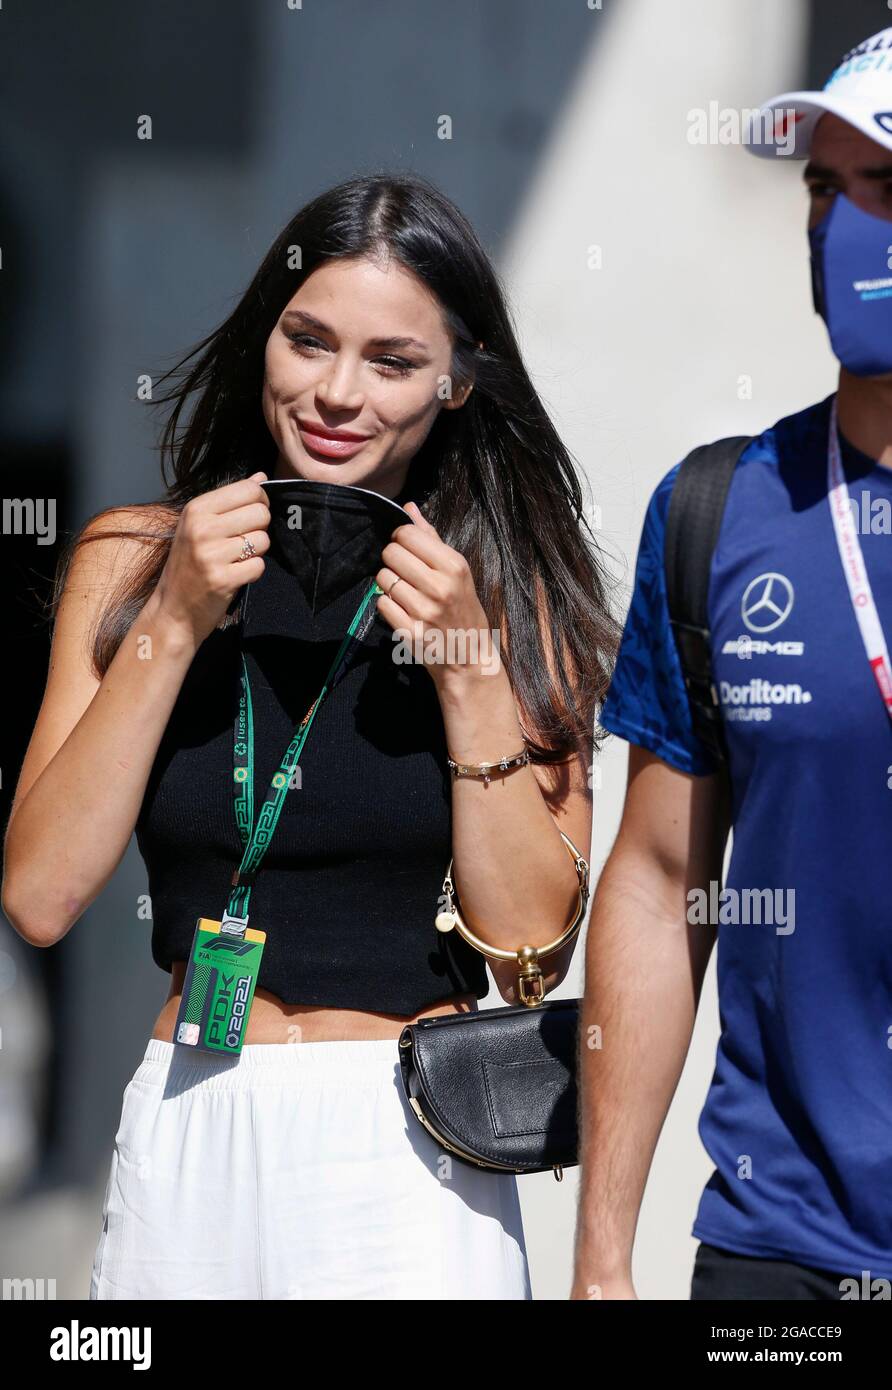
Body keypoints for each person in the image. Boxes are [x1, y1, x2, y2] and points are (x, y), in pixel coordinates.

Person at [2, 171, 617, 1300]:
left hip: (402, 1145)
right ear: (262, 342)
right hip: (190, 1106)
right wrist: (177, 621)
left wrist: (471, 671)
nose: (338, 393)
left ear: (457, 379)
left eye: (390, 362)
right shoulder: (137, 558)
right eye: (308, 341)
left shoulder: (515, 602)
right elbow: (40, 893)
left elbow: (530, 947)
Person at [573, 29, 892, 1301]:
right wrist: (601, 1256)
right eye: (821, 189)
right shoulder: (719, 509)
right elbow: (657, 881)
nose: (835, 228)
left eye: (882, 188)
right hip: (778, 1256)